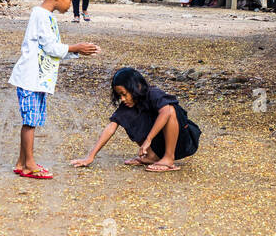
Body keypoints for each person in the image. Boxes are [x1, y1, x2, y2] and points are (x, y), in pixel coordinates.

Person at [9, 0, 99, 179]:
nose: (70, 4)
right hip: (31, 78)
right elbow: (51, 47)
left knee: (33, 120)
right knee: (30, 122)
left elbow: (54, 49)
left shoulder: (46, 16)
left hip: (38, 79)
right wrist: (76, 47)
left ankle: (22, 162)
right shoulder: (40, 15)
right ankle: (29, 164)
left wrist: (76, 52)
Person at [70, 67, 201, 173]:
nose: (122, 99)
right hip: (157, 146)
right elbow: (111, 127)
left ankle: (168, 158)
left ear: (137, 87)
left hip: (183, 142)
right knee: (126, 116)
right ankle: (151, 156)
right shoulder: (128, 105)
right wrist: (90, 156)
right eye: (119, 95)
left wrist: (148, 139)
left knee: (170, 110)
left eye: (124, 94)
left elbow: (166, 112)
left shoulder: (153, 93)